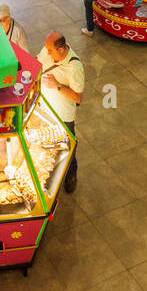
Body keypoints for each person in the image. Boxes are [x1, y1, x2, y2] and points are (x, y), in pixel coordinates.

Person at [37, 32, 85, 192]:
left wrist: (57, 85)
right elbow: (38, 61)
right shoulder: (47, 51)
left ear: (61, 50)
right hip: (44, 109)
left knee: (67, 146)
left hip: (63, 115)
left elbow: (78, 98)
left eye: (50, 50)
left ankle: (71, 174)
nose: (47, 53)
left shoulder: (75, 67)